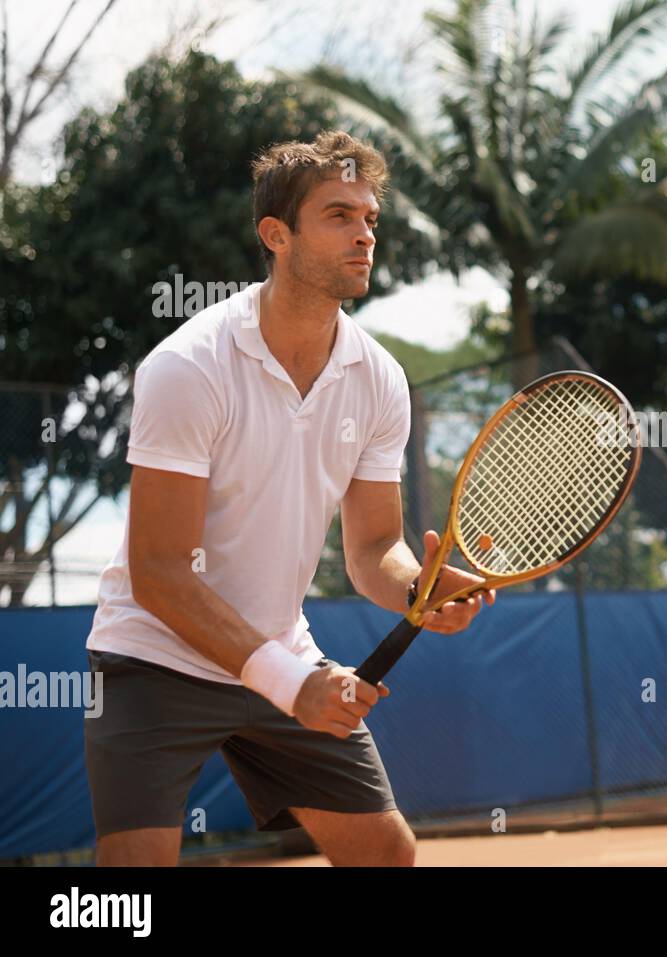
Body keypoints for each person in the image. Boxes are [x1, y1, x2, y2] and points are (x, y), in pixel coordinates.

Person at [84, 130, 491, 866]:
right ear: (277, 234)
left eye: (370, 217)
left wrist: (417, 589)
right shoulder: (187, 368)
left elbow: (372, 550)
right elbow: (159, 569)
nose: (365, 233)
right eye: (339, 214)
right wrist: (291, 682)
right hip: (153, 658)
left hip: (281, 651)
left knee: (386, 856)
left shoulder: (379, 380)